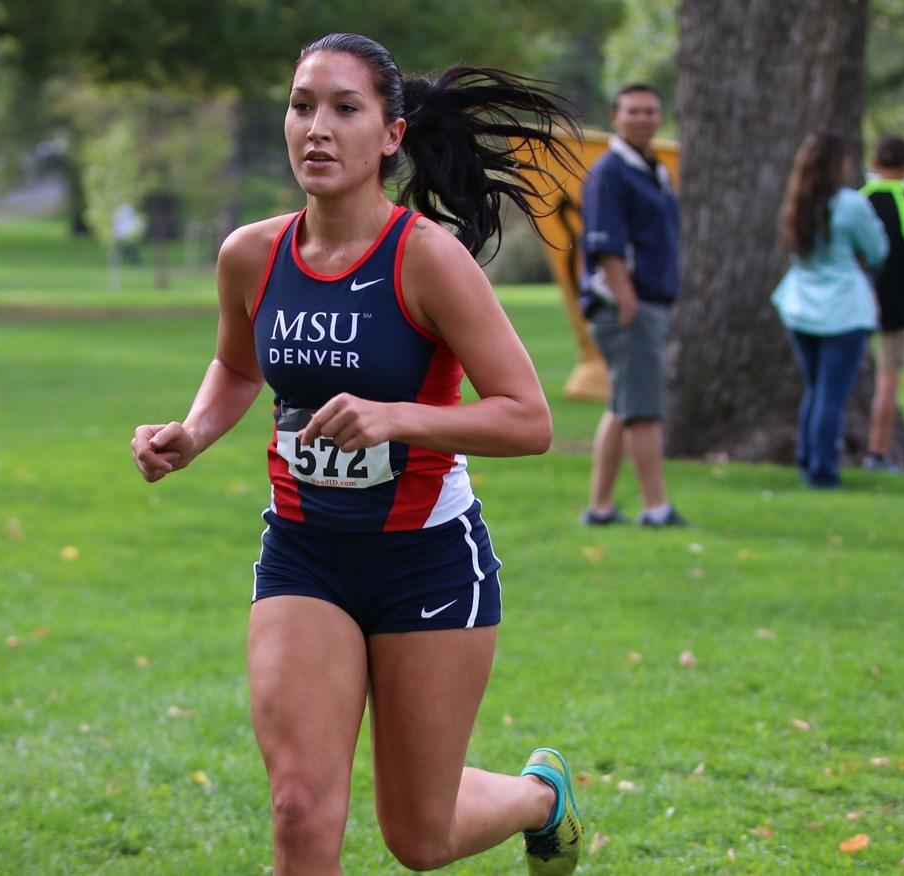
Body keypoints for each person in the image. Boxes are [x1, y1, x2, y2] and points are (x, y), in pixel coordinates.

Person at [130, 33, 585, 875]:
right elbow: (238, 367)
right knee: (300, 810)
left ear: (390, 135)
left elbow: (530, 420)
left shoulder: (427, 259)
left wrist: (396, 418)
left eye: (345, 108)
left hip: (427, 562)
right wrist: (192, 432)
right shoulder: (252, 255)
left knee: (420, 838)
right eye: (302, 106)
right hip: (305, 553)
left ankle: (540, 798)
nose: (318, 127)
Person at [577, 83, 689, 528]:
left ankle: (600, 508)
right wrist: (627, 300)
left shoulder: (653, 169)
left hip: (645, 301)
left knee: (623, 405)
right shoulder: (610, 171)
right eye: (633, 111)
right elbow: (606, 244)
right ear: (615, 116)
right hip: (627, 304)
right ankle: (656, 508)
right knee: (643, 409)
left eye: (650, 111)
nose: (642, 119)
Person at [770, 129, 889, 489]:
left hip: (801, 306)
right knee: (831, 395)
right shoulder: (849, 205)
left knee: (815, 388)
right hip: (843, 310)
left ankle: (807, 457)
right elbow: (877, 250)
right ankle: (822, 471)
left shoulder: (796, 202)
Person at [859, 135, 904, 473]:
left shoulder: (860, 201)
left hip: (856, 298)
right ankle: (877, 452)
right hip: (897, 300)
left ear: (874, 163)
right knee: (887, 380)